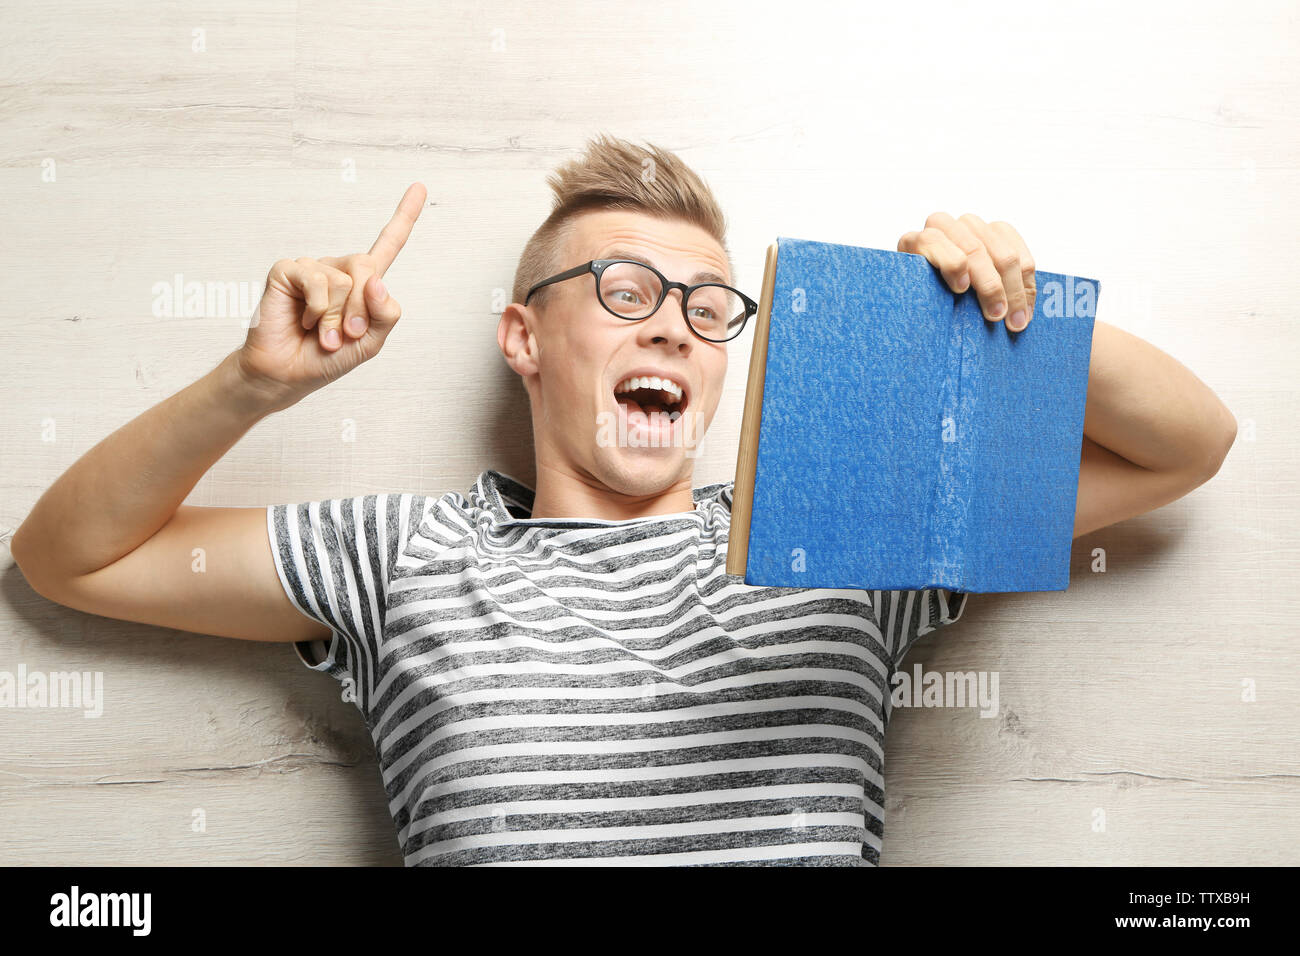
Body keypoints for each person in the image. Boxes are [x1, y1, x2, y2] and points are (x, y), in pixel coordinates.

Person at [12, 134, 1237, 866]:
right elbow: (70, 558)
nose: (675, 321)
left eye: (709, 307)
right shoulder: (406, 554)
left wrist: (992, 325)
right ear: (522, 336)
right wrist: (249, 385)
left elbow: (1183, 445)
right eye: (622, 287)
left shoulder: (840, 523)